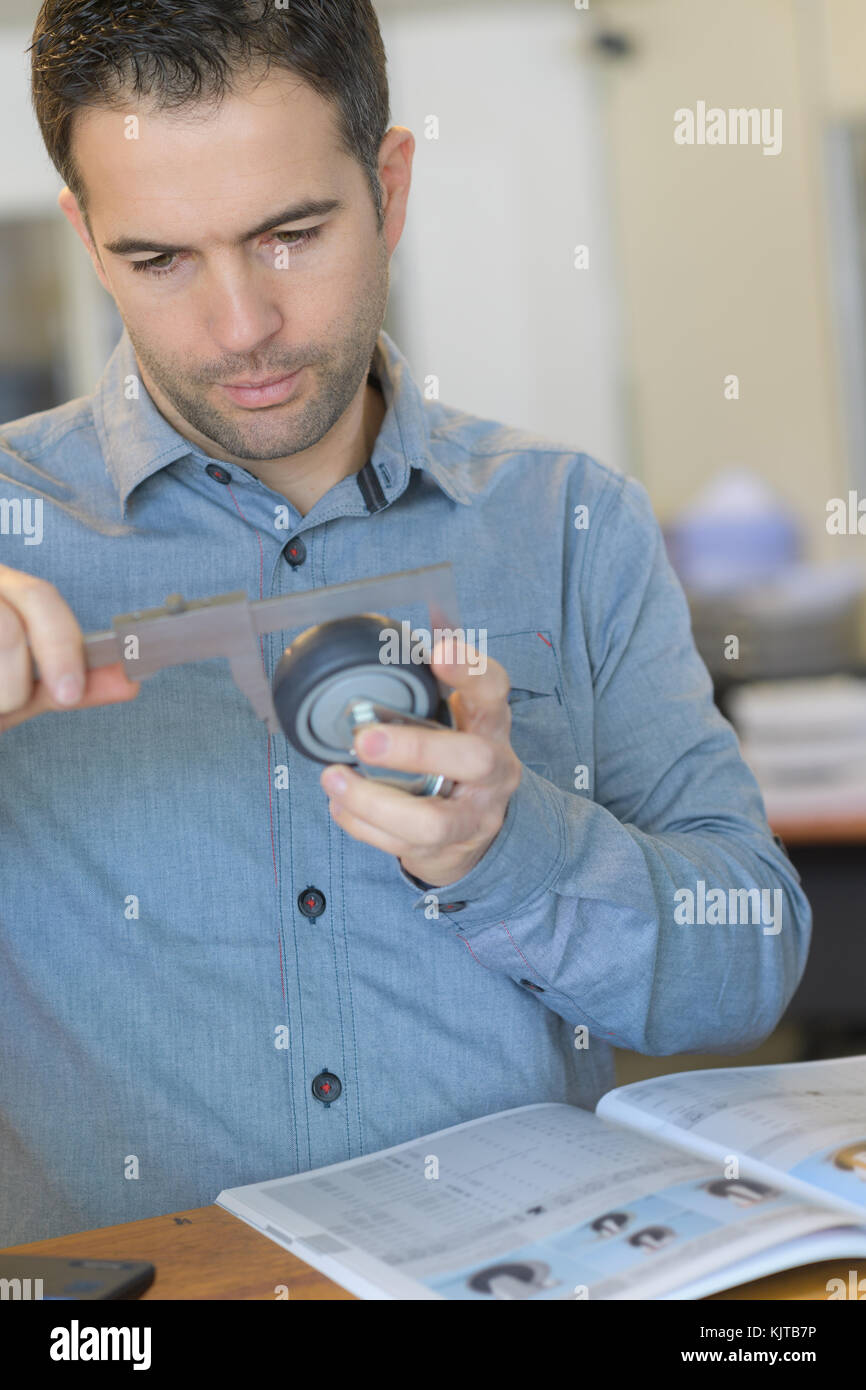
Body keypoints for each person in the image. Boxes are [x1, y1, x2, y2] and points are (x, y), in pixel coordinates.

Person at [0, 0, 810, 1244]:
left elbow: (746, 959)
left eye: (289, 235)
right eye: (159, 258)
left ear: (389, 183)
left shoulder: (566, 519)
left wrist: (508, 848)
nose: (239, 327)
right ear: (89, 239)